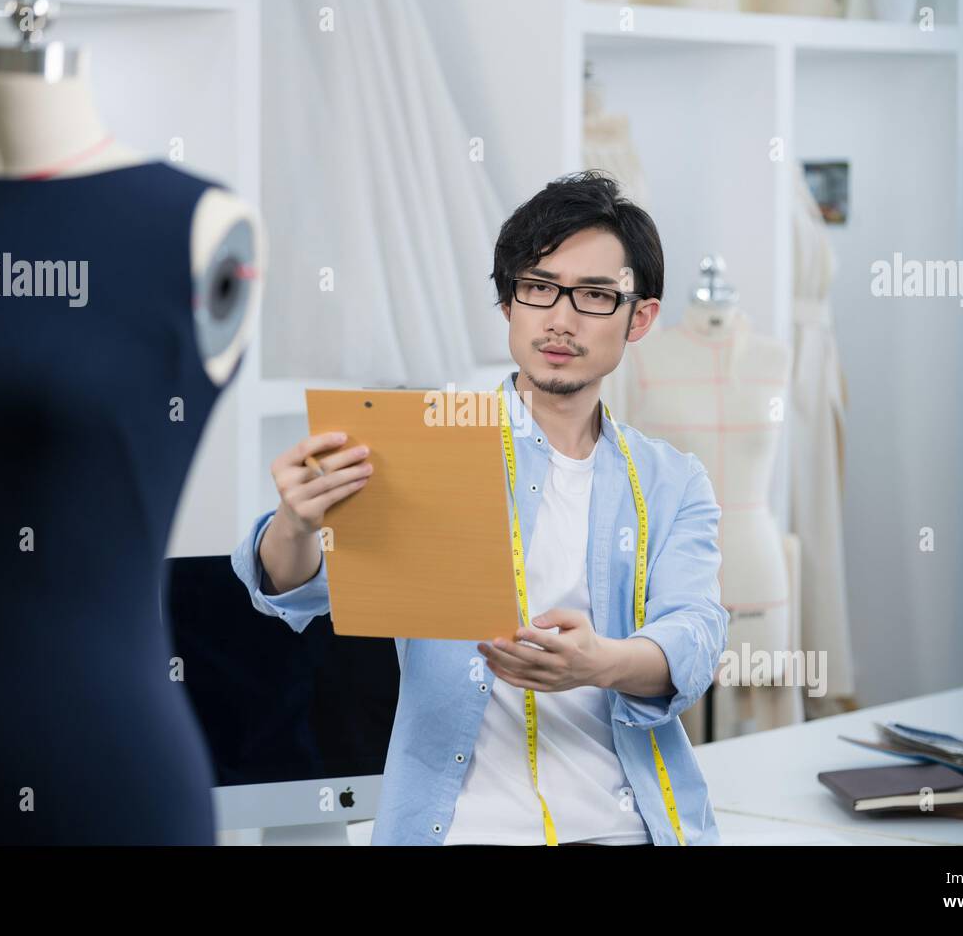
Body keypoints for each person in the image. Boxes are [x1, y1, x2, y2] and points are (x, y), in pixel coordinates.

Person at [232, 170, 729, 845]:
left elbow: (696, 637)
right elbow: (292, 589)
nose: (560, 318)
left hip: (626, 827)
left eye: (593, 296)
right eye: (538, 287)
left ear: (639, 316)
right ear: (508, 305)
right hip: (460, 830)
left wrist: (600, 662)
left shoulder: (673, 481)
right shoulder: (425, 445)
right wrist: (293, 522)